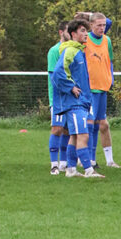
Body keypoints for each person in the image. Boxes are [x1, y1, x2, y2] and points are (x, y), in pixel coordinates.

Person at [50, 19, 104, 178]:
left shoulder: (79, 51)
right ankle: (88, 170)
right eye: (82, 31)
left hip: (81, 102)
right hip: (74, 103)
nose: (86, 34)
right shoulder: (70, 51)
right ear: (73, 34)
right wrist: (71, 87)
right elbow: (57, 74)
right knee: (83, 135)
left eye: (86, 30)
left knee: (74, 136)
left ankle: (71, 170)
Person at [85, 12, 121, 169]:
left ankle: (105, 160)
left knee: (100, 123)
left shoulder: (107, 40)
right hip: (90, 88)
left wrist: (110, 77)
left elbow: (110, 60)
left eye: (103, 25)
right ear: (91, 25)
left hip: (103, 87)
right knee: (90, 124)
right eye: (98, 25)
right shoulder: (85, 39)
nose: (102, 28)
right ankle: (89, 160)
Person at [47, 20, 70, 174]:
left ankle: (64, 163)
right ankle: (54, 164)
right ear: (61, 32)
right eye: (69, 30)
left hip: (71, 97)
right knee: (57, 129)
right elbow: (53, 76)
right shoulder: (54, 51)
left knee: (67, 130)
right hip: (58, 98)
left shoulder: (72, 50)